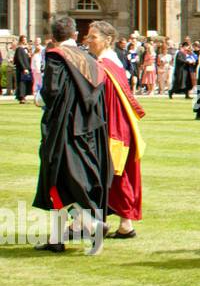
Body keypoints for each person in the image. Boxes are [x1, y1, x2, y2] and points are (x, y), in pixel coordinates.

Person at [32, 16, 111, 253]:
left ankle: (92, 224)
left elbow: (52, 92)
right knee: (74, 181)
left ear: (53, 36)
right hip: (87, 130)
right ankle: (57, 239)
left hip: (64, 130)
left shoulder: (56, 57)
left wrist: (37, 100)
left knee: (57, 180)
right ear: (74, 35)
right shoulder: (88, 58)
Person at [84, 21, 146, 238]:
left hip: (113, 129)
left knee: (112, 175)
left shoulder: (104, 66)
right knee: (115, 176)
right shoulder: (112, 63)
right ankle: (122, 224)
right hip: (119, 126)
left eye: (93, 37)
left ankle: (122, 224)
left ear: (107, 40)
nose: (88, 41)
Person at [13, 35, 33, 103]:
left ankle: (23, 97)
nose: (25, 41)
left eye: (25, 39)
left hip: (26, 68)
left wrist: (29, 56)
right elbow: (20, 59)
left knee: (26, 83)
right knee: (22, 83)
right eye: (24, 39)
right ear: (21, 40)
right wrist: (24, 68)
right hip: (22, 69)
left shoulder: (26, 49)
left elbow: (27, 59)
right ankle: (21, 98)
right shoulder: (19, 49)